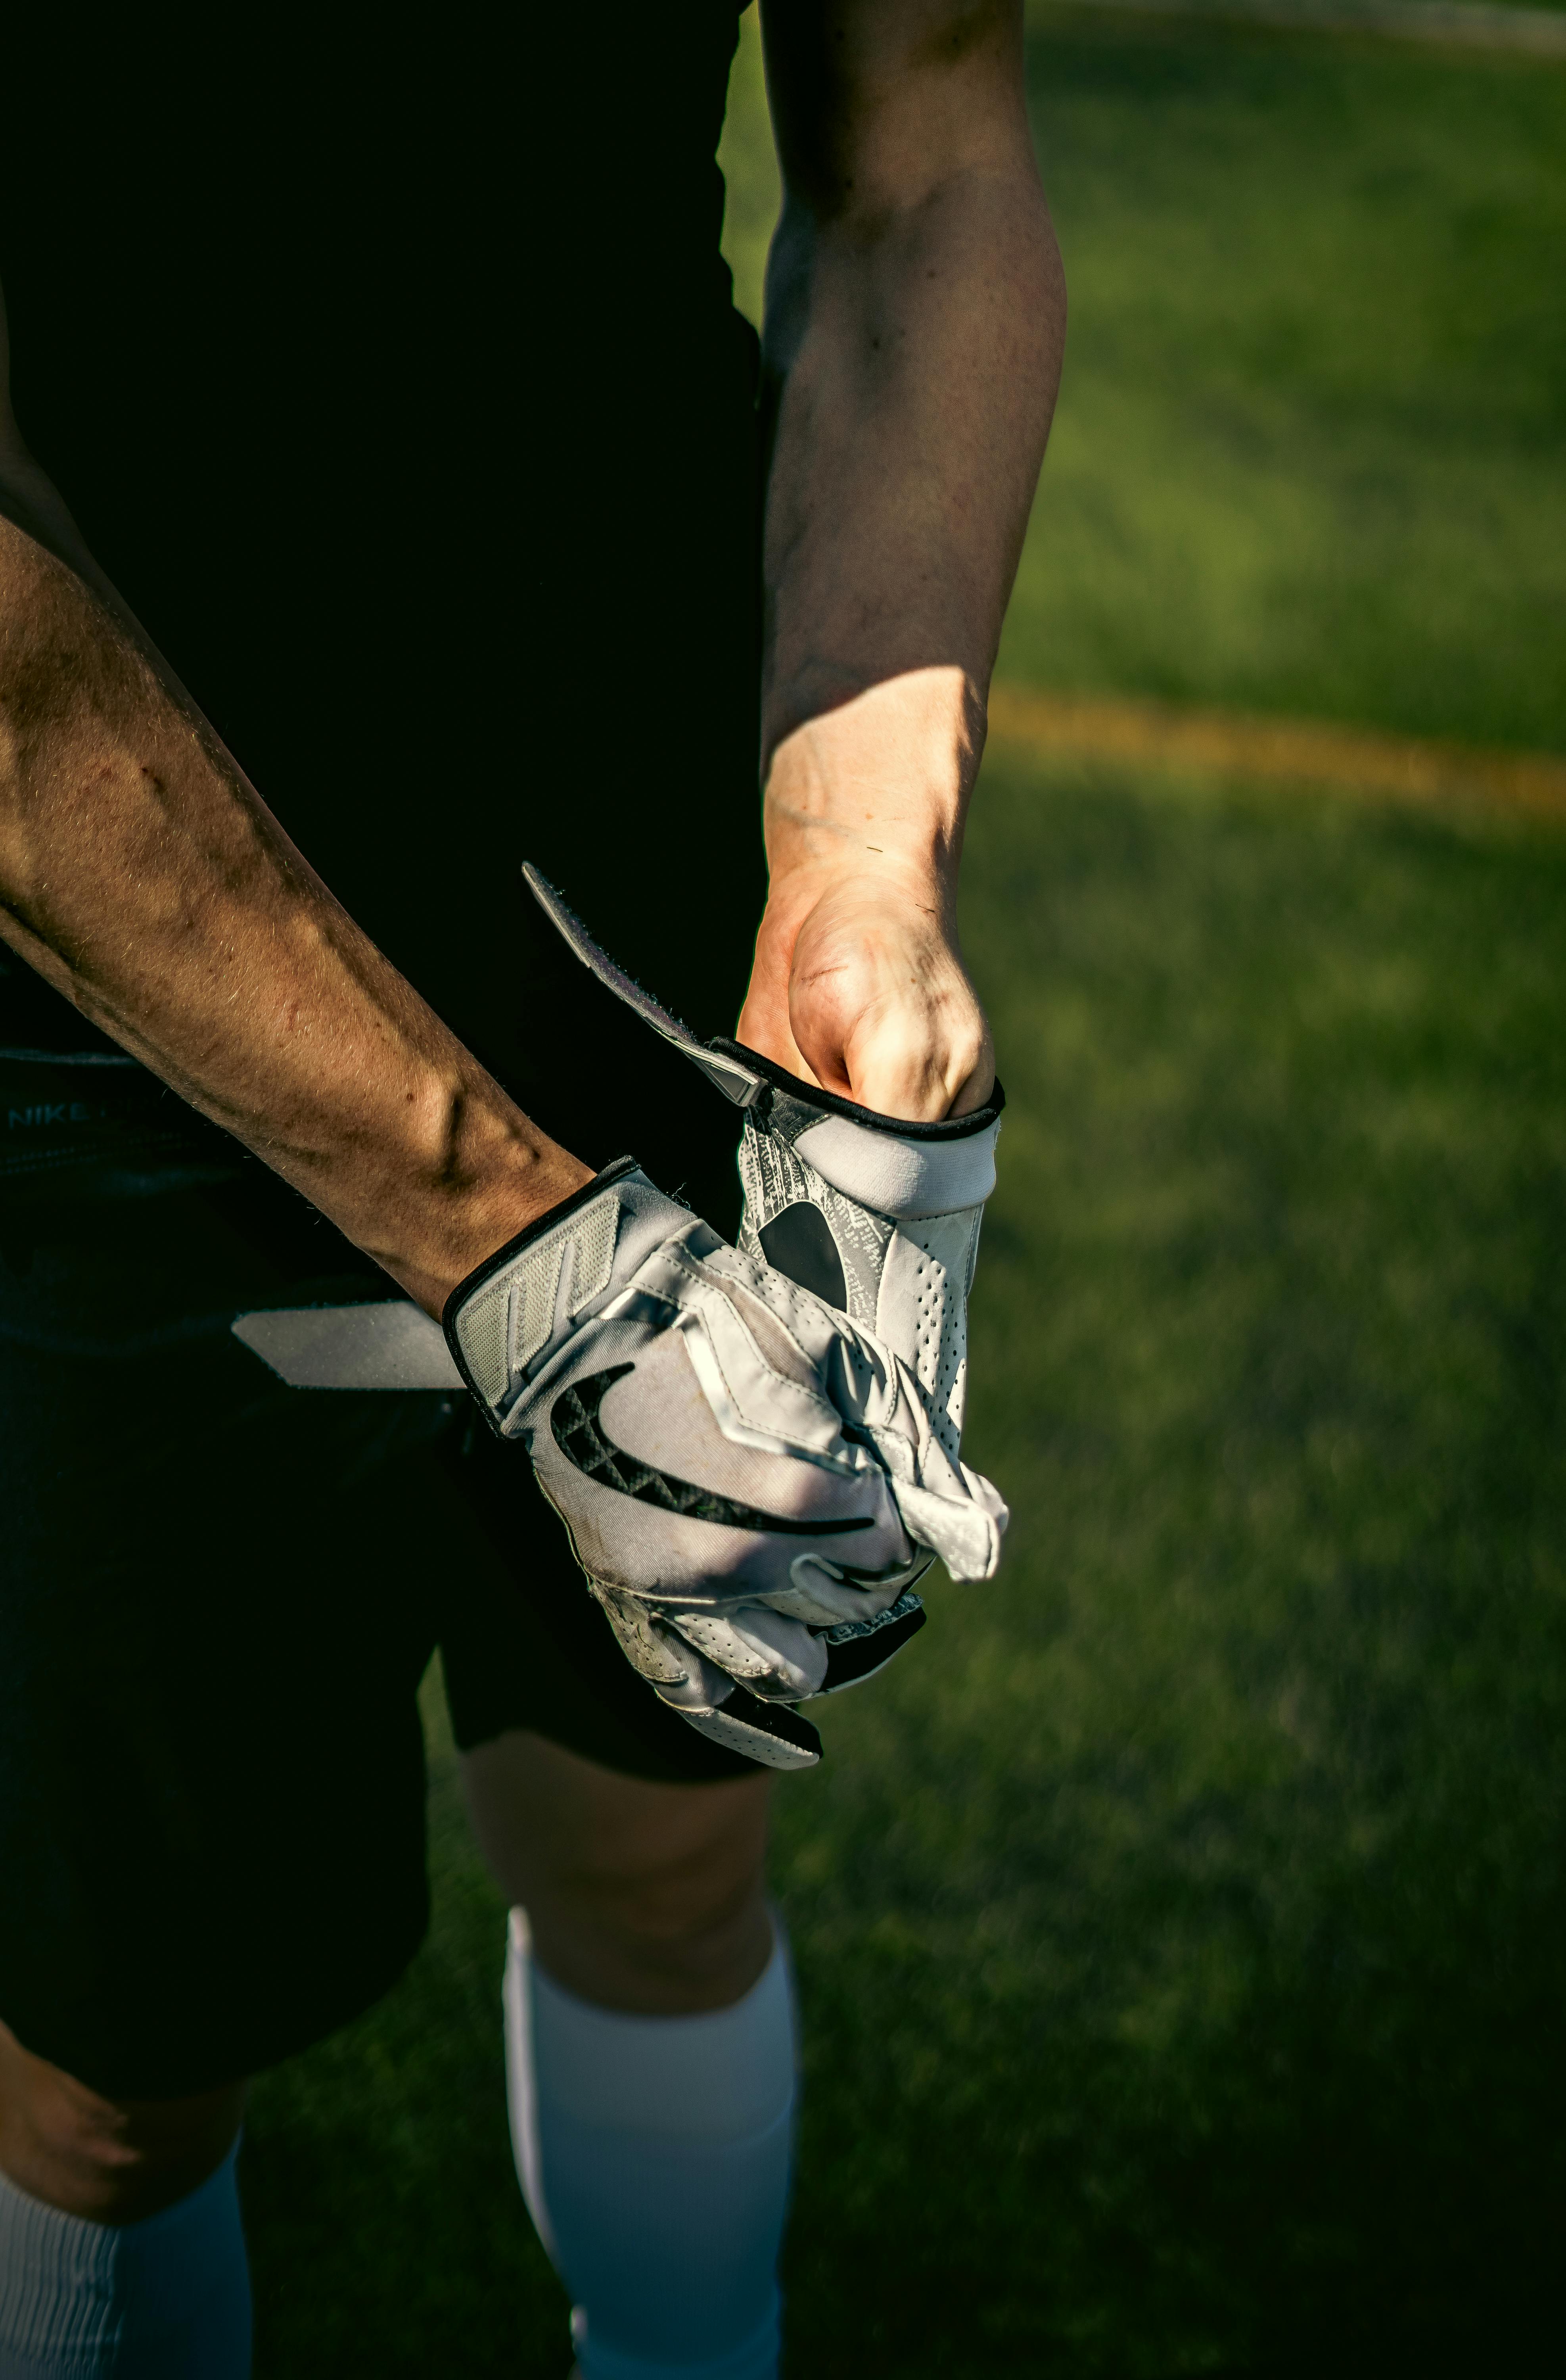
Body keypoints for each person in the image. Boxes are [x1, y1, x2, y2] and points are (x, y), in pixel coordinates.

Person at [0, 1, 1063, 2371]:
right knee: (110, 2067)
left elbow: (925, 158)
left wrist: (852, 864)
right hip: (105, 925)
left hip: (634, 851)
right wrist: (529, 1257)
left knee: (658, 1855)